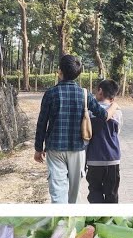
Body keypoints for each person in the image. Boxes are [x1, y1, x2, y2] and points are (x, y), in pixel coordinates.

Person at [34, 55, 111, 203]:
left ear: (59, 71)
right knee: (73, 194)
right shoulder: (84, 94)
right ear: (78, 73)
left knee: (58, 192)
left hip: (55, 148)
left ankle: (60, 220)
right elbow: (103, 115)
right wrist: (113, 107)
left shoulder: (50, 94)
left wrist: (38, 148)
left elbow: (42, 123)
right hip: (77, 149)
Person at [85, 79, 122, 203]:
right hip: (113, 159)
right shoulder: (117, 112)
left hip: (94, 159)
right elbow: (117, 132)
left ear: (100, 90)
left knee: (95, 192)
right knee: (112, 193)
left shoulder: (90, 112)